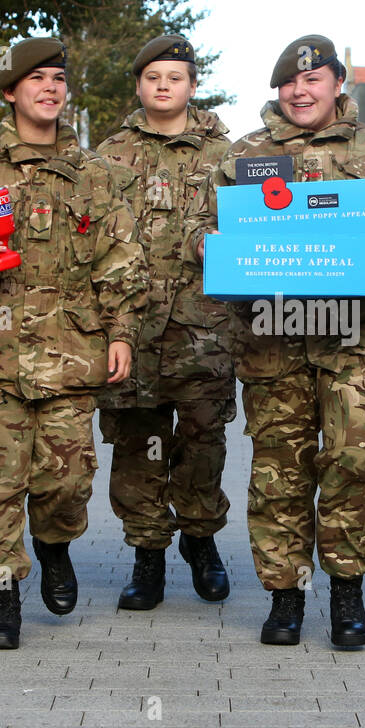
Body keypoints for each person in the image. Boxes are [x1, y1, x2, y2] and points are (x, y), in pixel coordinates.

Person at [184, 34, 365, 648]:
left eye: (313, 80)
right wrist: (208, 247)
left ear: (336, 86)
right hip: (274, 336)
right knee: (279, 468)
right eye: (290, 84)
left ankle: (346, 590)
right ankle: (286, 594)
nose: (301, 92)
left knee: (351, 460)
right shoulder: (243, 156)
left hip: (358, 334)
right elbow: (199, 224)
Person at [0, 37, 145, 649]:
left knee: (65, 482)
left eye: (58, 79)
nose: (50, 88)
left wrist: (121, 334)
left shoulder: (97, 174)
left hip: (73, 353)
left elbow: (123, 261)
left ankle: (54, 543)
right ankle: (3, 599)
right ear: (12, 91)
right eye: (36, 78)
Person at [95, 35, 236, 611]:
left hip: (206, 331)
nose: (162, 86)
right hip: (133, 329)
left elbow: (261, 229)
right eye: (152, 76)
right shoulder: (108, 155)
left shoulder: (229, 155)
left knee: (204, 443)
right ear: (138, 85)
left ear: (192, 86)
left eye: (174, 77)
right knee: (139, 446)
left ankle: (201, 542)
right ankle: (147, 557)